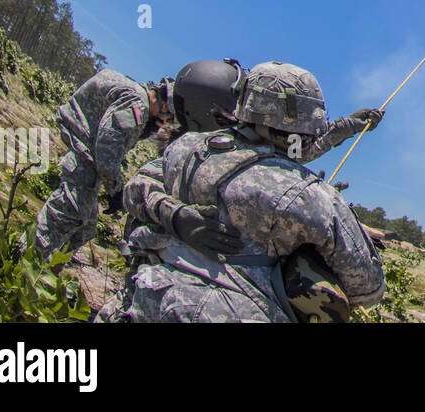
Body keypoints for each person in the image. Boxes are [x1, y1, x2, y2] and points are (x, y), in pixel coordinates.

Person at [113, 61, 385, 322]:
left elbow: (137, 188)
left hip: (147, 299)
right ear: (301, 123)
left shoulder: (187, 147)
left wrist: (174, 216)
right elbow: (368, 288)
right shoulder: (313, 197)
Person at [32, 68, 173, 260]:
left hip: (86, 154)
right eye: (166, 120)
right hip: (85, 157)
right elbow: (108, 147)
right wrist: (115, 190)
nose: (161, 126)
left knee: (86, 228)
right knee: (63, 217)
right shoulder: (138, 105)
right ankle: (22, 266)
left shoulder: (135, 95)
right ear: (165, 107)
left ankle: (51, 267)